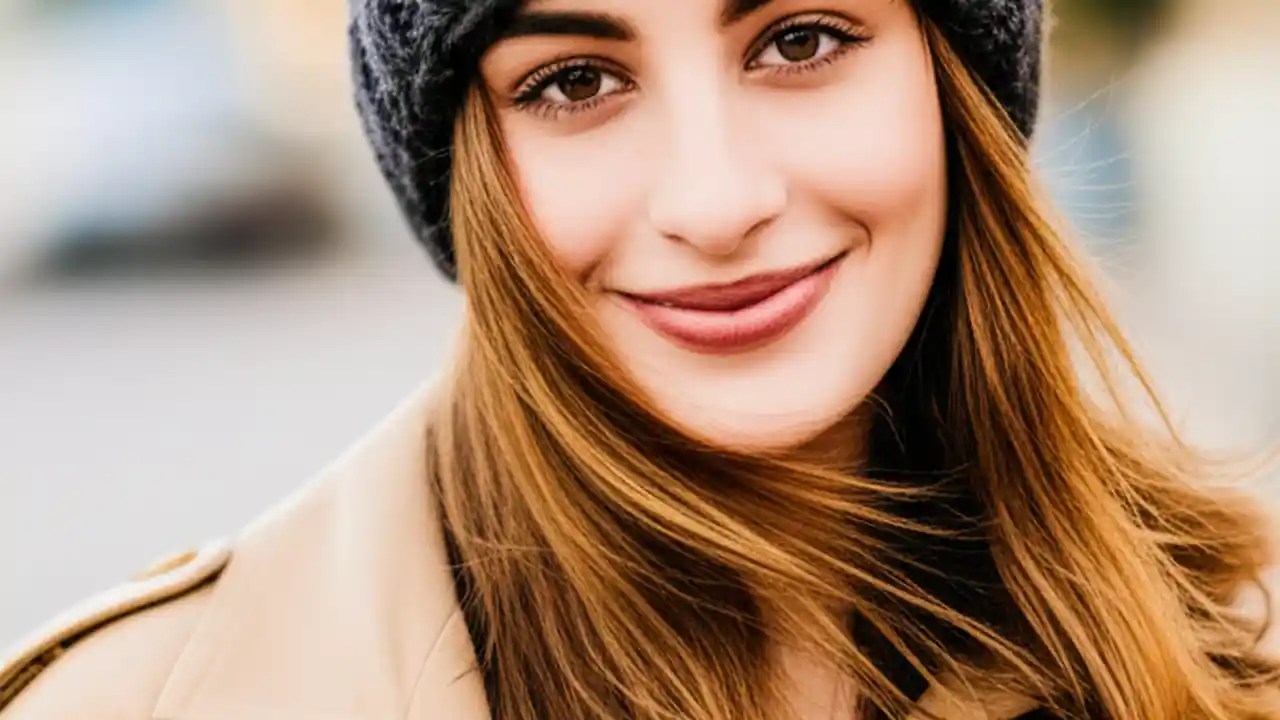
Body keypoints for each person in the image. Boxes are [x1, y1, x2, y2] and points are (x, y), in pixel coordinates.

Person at [2, 0, 1278, 717]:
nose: (713, 201)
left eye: (800, 39)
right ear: (464, 171)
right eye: (571, 82)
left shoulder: (1240, 649)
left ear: (951, 84)